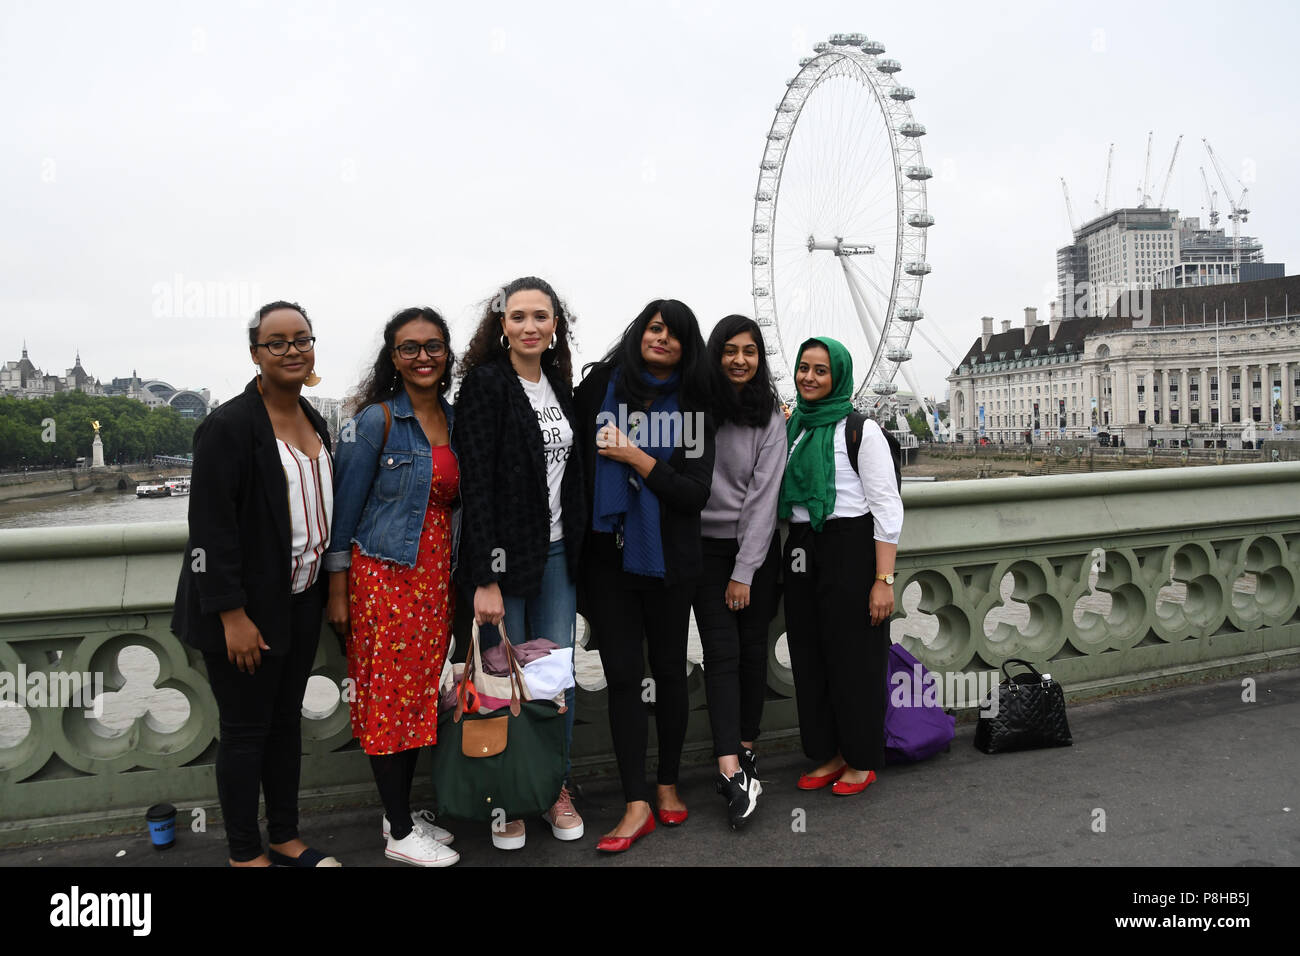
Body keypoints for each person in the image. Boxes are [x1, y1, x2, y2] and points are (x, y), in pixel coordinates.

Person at [172, 300, 341, 867]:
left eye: (301, 339)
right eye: (277, 342)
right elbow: (210, 531)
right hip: (246, 611)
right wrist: (230, 616)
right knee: (246, 734)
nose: (291, 350)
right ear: (255, 354)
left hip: (298, 600)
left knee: (284, 727)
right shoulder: (229, 425)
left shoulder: (312, 416)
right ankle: (245, 854)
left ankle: (286, 836)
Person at [574, 299, 716, 853]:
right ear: (639, 333)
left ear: (686, 346)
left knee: (670, 671)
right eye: (654, 328)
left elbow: (693, 493)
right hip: (608, 560)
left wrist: (634, 456)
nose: (661, 339)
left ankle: (667, 784)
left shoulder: (695, 408)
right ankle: (635, 803)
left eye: (674, 334)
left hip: (669, 562)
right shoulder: (600, 390)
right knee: (623, 677)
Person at [452, 276, 586, 851]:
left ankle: (554, 785)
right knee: (502, 679)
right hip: (505, 561)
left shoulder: (560, 385)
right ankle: (504, 794)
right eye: (518, 316)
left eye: (542, 316)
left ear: (557, 324)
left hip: (559, 554)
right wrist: (484, 577)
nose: (531, 326)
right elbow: (474, 483)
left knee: (557, 677)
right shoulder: (486, 386)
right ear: (501, 324)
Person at [325, 306, 460, 868]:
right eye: (410, 348)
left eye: (433, 346)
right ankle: (400, 835)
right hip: (383, 578)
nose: (423, 356)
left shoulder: (456, 418)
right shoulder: (373, 421)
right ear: (393, 358)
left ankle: (396, 811)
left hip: (435, 582)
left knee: (416, 702)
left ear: (447, 354)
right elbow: (344, 512)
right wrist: (338, 591)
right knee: (387, 702)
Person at [779, 337, 902, 797]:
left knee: (856, 661)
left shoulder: (860, 431)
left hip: (849, 550)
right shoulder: (794, 429)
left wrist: (883, 581)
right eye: (803, 368)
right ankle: (828, 751)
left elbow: (887, 509)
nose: (809, 377)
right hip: (801, 550)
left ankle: (861, 757)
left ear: (839, 377)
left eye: (820, 370)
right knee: (811, 658)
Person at [690, 315, 785, 829]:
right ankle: (728, 767)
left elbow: (763, 498)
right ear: (715, 354)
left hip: (756, 551)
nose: (740, 360)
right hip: (705, 551)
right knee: (720, 654)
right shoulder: (696, 408)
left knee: (752, 655)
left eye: (750, 351)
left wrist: (745, 570)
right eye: (730, 350)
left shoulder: (770, 416)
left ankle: (745, 748)